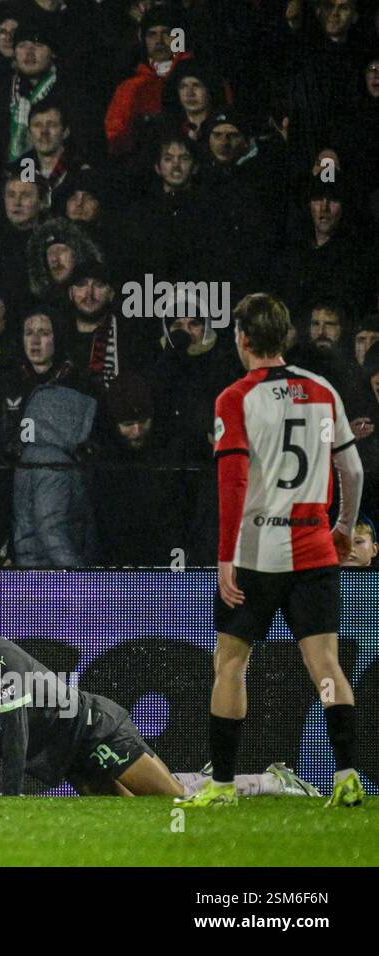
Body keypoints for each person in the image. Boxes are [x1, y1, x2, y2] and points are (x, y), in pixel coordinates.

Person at [179, 294, 364, 809]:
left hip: (257, 557)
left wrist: (224, 556)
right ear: (285, 338)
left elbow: (233, 481)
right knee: (326, 669)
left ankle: (220, 787)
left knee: (231, 664)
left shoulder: (236, 398)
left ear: (242, 338)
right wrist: (344, 527)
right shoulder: (322, 390)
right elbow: (352, 471)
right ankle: (348, 774)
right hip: (314, 552)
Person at [0, 590, 318, 798]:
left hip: (94, 731)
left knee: (175, 799)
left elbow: (15, 732)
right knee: (131, 814)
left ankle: (271, 782)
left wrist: (11, 799)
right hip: (66, 755)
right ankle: (205, 778)